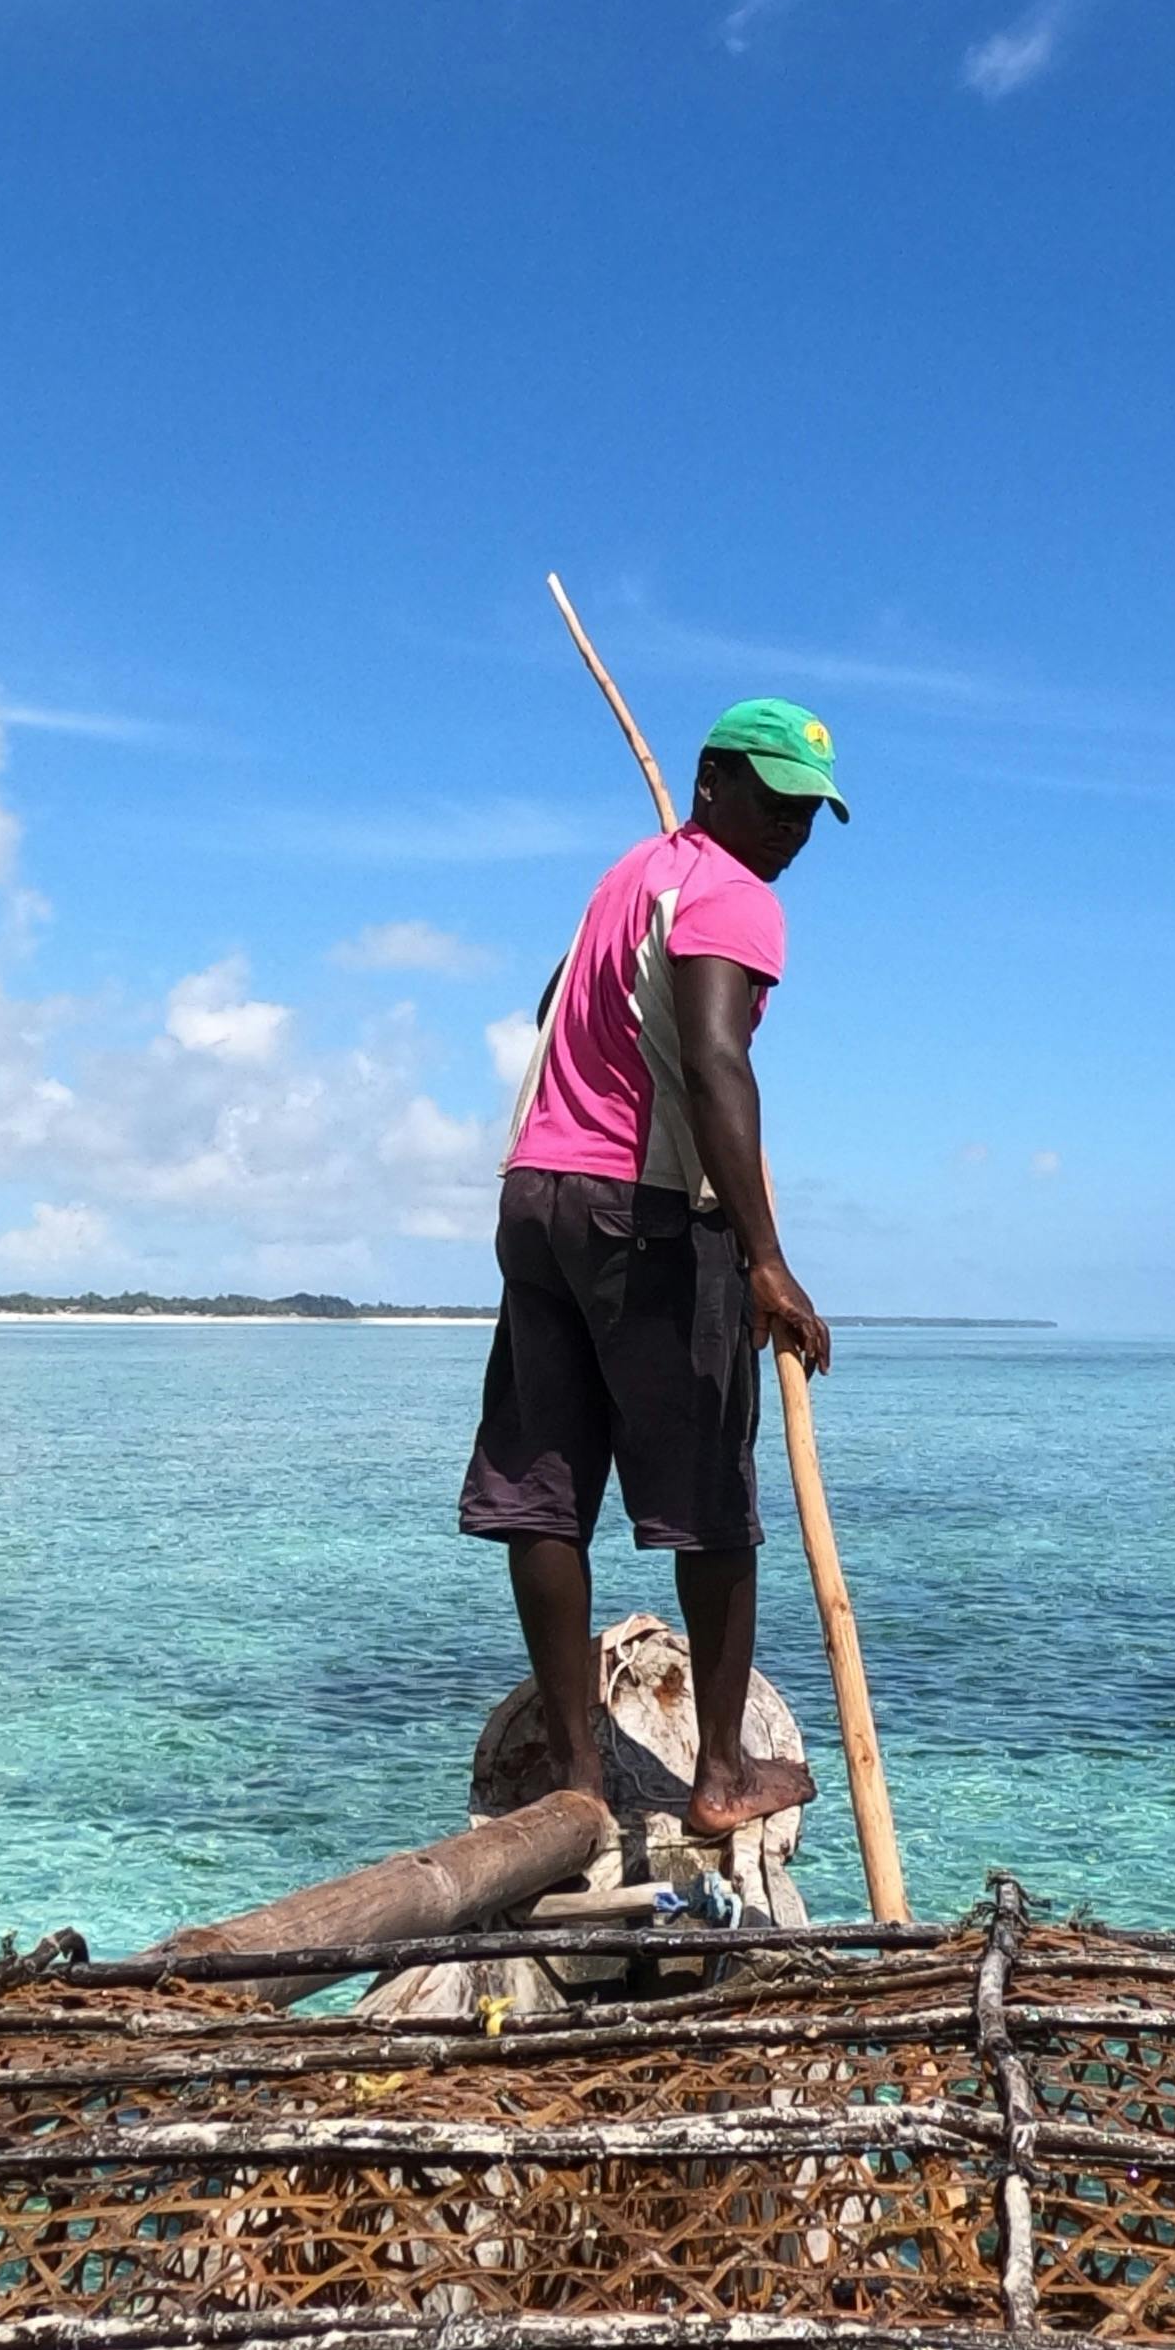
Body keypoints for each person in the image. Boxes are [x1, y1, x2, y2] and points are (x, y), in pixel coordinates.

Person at [458, 696, 848, 1835]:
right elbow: (719, 1060)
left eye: (808, 814)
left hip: (535, 1196)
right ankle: (721, 1775)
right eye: (771, 800)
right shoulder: (732, 894)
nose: (788, 830)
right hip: (649, 1212)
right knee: (713, 1507)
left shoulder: (634, 874)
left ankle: (578, 1771)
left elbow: (553, 1007)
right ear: (712, 781)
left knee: (549, 1487)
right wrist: (767, 1258)